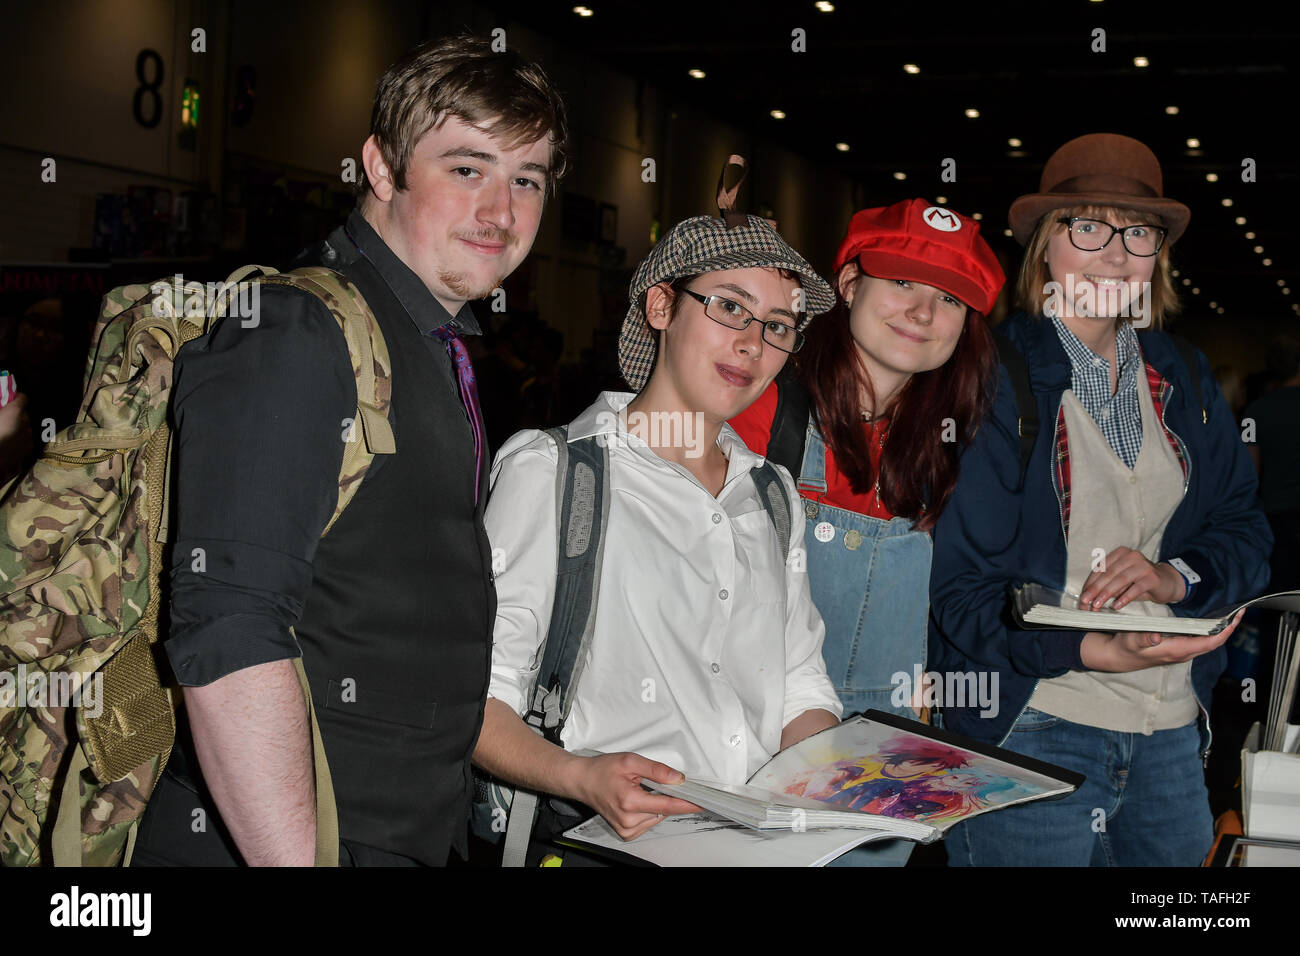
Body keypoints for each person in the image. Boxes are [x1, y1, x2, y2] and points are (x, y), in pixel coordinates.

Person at [132, 35, 569, 866]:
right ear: (380, 166)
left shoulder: (427, 338)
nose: (502, 212)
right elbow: (227, 630)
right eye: (467, 168)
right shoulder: (297, 332)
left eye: (527, 179)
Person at [929, 133, 1271, 866]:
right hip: (1034, 727)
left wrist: (1176, 575)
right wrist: (1089, 646)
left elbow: (1246, 530)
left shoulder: (1183, 374)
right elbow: (961, 593)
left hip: (1174, 732)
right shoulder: (991, 376)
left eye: (1138, 232)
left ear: (1158, 255)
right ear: (1044, 247)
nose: (1116, 253)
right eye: (1088, 226)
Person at [474, 209, 844, 858]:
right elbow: (476, 698)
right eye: (730, 307)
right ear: (661, 304)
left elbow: (800, 685)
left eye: (778, 326)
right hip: (600, 844)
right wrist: (582, 777)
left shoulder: (772, 494)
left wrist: (845, 784)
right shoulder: (556, 472)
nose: (754, 344)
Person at [729, 198, 1004, 865]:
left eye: (948, 299)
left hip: (876, 776)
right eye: (902, 281)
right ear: (849, 284)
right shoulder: (759, 402)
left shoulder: (954, 447)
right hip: (750, 757)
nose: (922, 312)